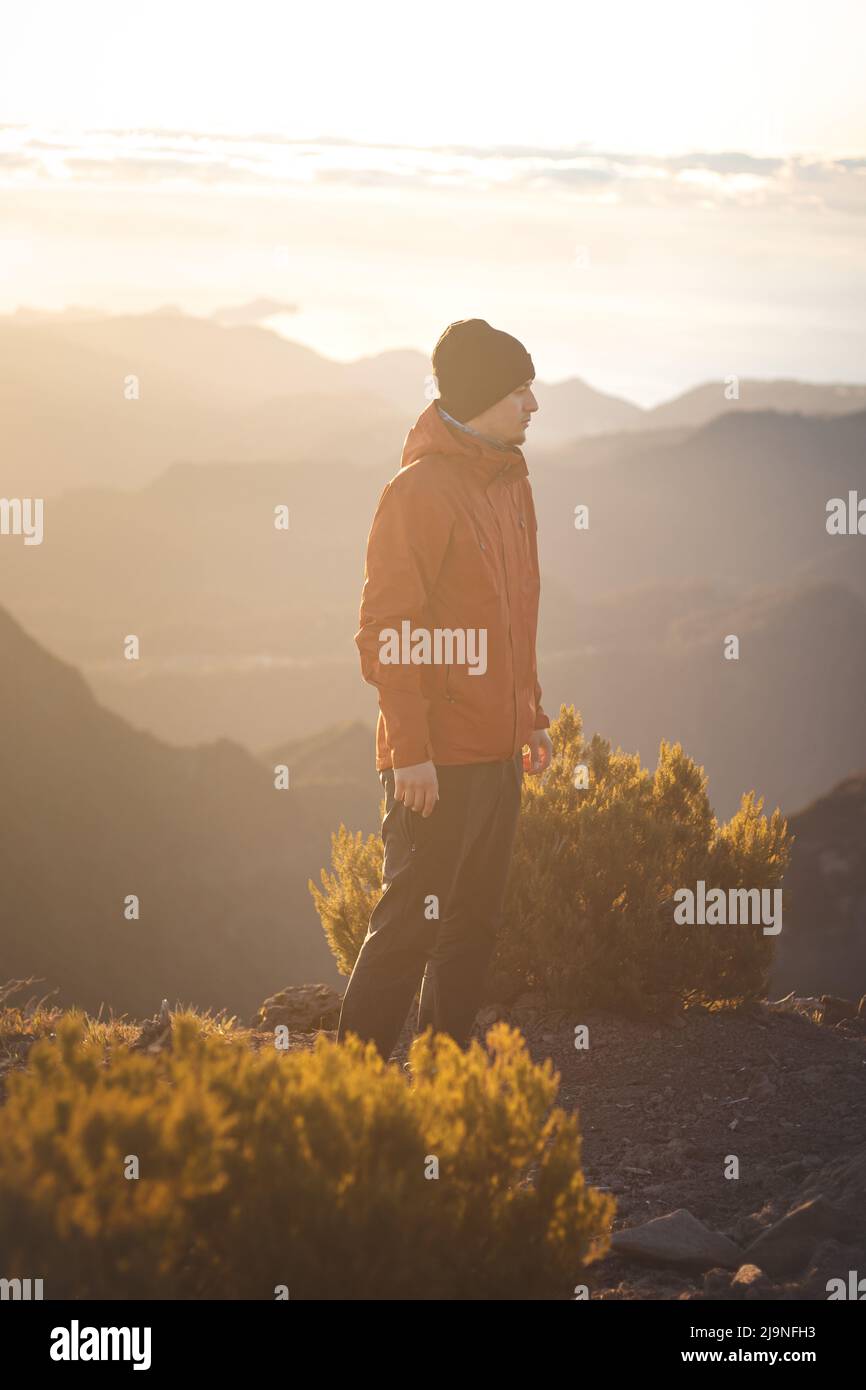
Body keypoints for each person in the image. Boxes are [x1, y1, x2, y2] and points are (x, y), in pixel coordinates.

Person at [337, 318, 553, 1060]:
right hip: (436, 763)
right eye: (522, 390)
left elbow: (514, 612)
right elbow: (386, 632)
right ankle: (348, 1095)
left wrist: (532, 718)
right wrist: (413, 754)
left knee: (472, 931)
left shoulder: (509, 483)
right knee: (408, 930)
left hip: (497, 753)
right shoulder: (418, 492)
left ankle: (441, 1088)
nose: (534, 405)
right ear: (487, 395)